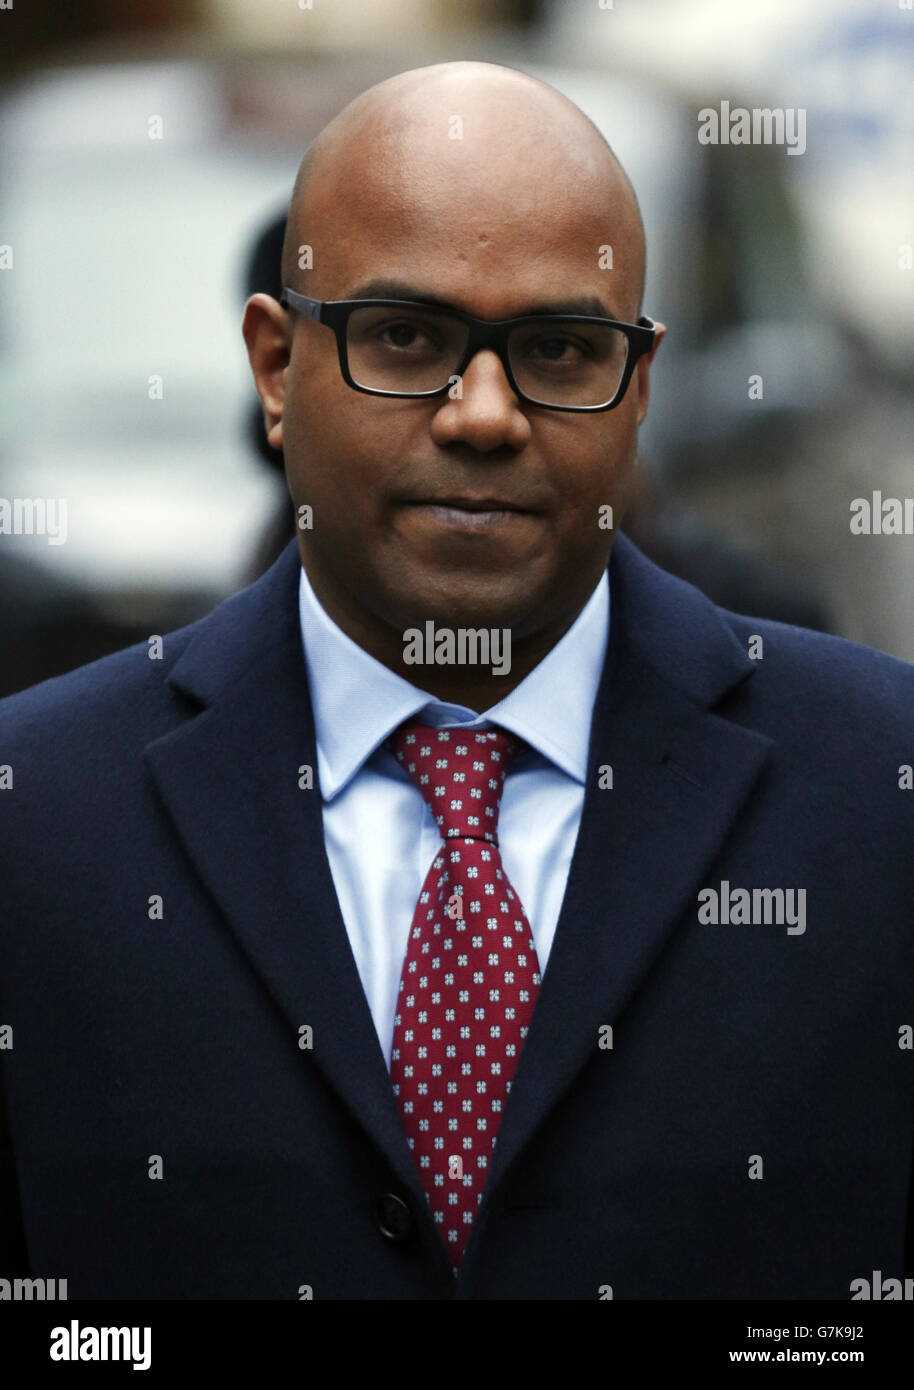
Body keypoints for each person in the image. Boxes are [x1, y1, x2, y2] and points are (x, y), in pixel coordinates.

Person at [0, 61, 911, 1301]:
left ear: (638, 389)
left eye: (555, 347)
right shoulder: (38, 818)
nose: (482, 415)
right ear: (274, 368)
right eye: (406, 337)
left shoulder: (876, 796)